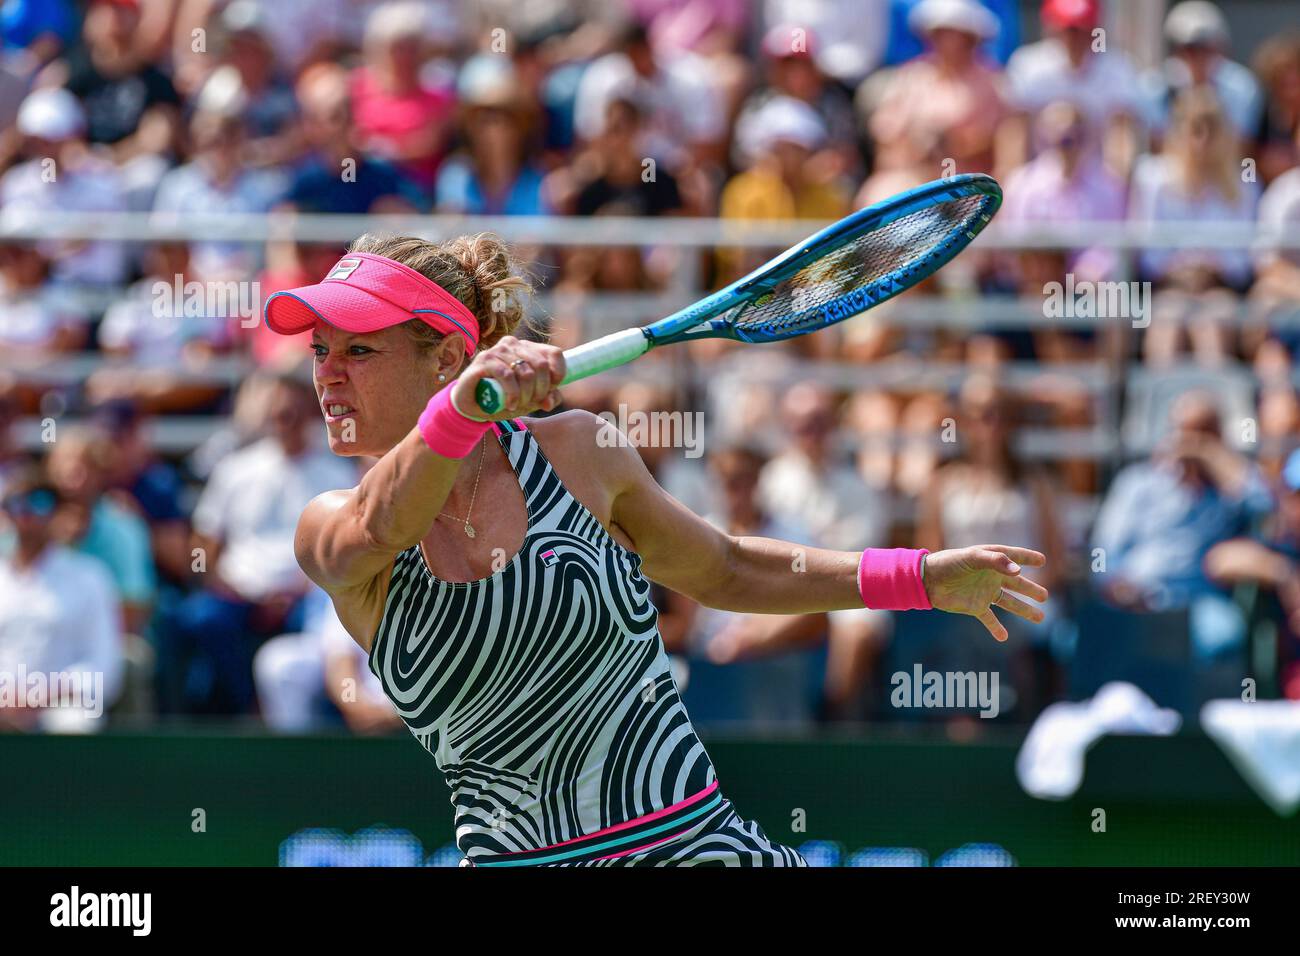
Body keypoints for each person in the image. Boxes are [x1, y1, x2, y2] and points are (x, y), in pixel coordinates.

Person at [261, 231, 1048, 866]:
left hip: (695, 849)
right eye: (319, 352)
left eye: (357, 351)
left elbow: (724, 567)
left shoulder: (577, 451)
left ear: (442, 355)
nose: (327, 376)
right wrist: (460, 408)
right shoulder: (332, 527)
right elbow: (385, 522)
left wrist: (915, 576)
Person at [0, 466, 124, 732]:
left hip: (62, 707)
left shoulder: (91, 578)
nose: (27, 514)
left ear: (58, 512)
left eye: (40, 502)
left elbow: (104, 668)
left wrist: (44, 695)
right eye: (16, 504)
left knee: (74, 724)